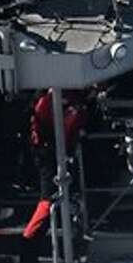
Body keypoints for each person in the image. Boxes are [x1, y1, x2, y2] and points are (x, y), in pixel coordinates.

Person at [23, 89, 90, 240]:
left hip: (62, 151)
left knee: (70, 194)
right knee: (49, 199)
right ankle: (29, 239)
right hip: (47, 152)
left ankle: (77, 232)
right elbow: (44, 121)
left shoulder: (75, 100)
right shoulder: (49, 100)